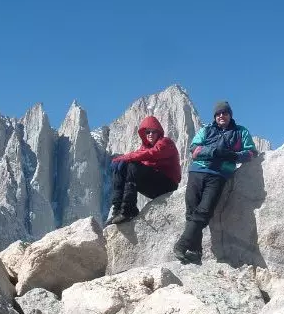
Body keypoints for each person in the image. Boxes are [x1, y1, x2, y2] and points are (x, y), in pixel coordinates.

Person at [173, 101, 257, 264]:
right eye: (218, 114)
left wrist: (233, 156)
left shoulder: (240, 132)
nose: (221, 116)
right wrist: (214, 152)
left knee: (204, 211)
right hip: (197, 172)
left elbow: (251, 153)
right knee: (191, 211)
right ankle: (196, 252)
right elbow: (194, 150)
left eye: (224, 113)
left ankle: (182, 245)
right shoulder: (206, 130)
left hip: (219, 174)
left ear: (230, 115)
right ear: (215, 116)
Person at [106, 116, 181, 225]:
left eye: (153, 132)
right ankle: (118, 210)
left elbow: (152, 153)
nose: (150, 134)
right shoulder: (144, 148)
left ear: (159, 132)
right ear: (143, 134)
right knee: (121, 168)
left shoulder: (165, 142)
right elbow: (140, 154)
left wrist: (125, 158)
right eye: (147, 132)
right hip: (153, 185)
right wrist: (121, 162)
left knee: (131, 166)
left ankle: (128, 210)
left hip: (167, 184)